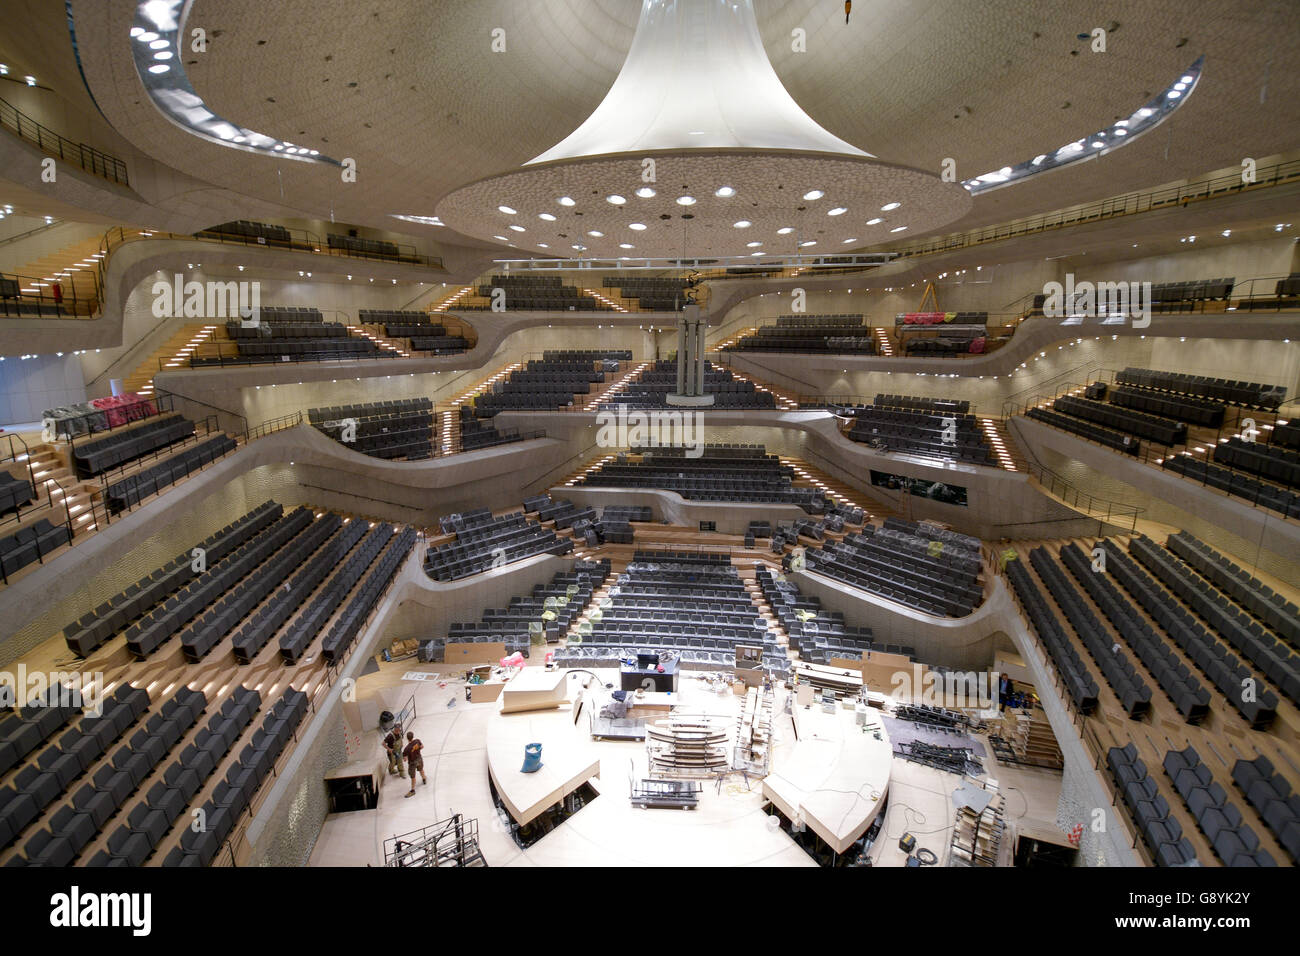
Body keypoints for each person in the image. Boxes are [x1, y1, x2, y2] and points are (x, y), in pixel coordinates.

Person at [403, 731, 427, 796]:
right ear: (413, 736)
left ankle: (413, 790)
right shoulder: (417, 741)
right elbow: (422, 746)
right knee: (421, 769)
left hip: (412, 763)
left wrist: (406, 757)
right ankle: (424, 779)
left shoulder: (406, 749)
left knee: (413, 777)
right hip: (419, 759)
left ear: (407, 738)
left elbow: (405, 759)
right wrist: (417, 750)